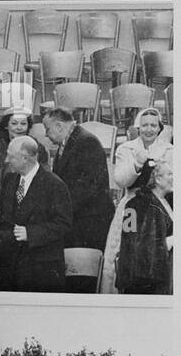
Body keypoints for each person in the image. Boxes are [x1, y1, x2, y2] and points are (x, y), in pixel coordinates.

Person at [0, 136, 73, 293]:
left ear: (24, 158)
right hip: (10, 266)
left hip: (39, 270)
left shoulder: (54, 185)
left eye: (10, 156)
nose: (6, 160)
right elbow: (2, 212)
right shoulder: (10, 179)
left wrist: (30, 233)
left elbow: (63, 224)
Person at [41, 106, 113, 255]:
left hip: (89, 222)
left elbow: (88, 188)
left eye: (47, 129)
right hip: (77, 218)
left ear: (59, 126)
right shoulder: (70, 141)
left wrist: (59, 210)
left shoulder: (87, 142)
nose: (46, 135)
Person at [100, 157, 173, 295]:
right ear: (157, 179)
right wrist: (169, 242)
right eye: (169, 174)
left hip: (163, 277)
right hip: (144, 282)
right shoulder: (132, 207)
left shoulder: (169, 202)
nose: (173, 177)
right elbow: (129, 244)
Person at [0, 107, 48, 233]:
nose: (19, 128)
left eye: (23, 124)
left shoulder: (38, 148)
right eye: (14, 124)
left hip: (30, 205)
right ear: (6, 126)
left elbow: (44, 178)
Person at [112, 107, 173, 189]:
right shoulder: (125, 149)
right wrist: (137, 165)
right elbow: (120, 181)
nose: (149, 130)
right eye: (144, 125)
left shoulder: (169, 150)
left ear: (159, 129)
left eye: (153, 126)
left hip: (162, 197)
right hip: (133, 197)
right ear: (138, 128)